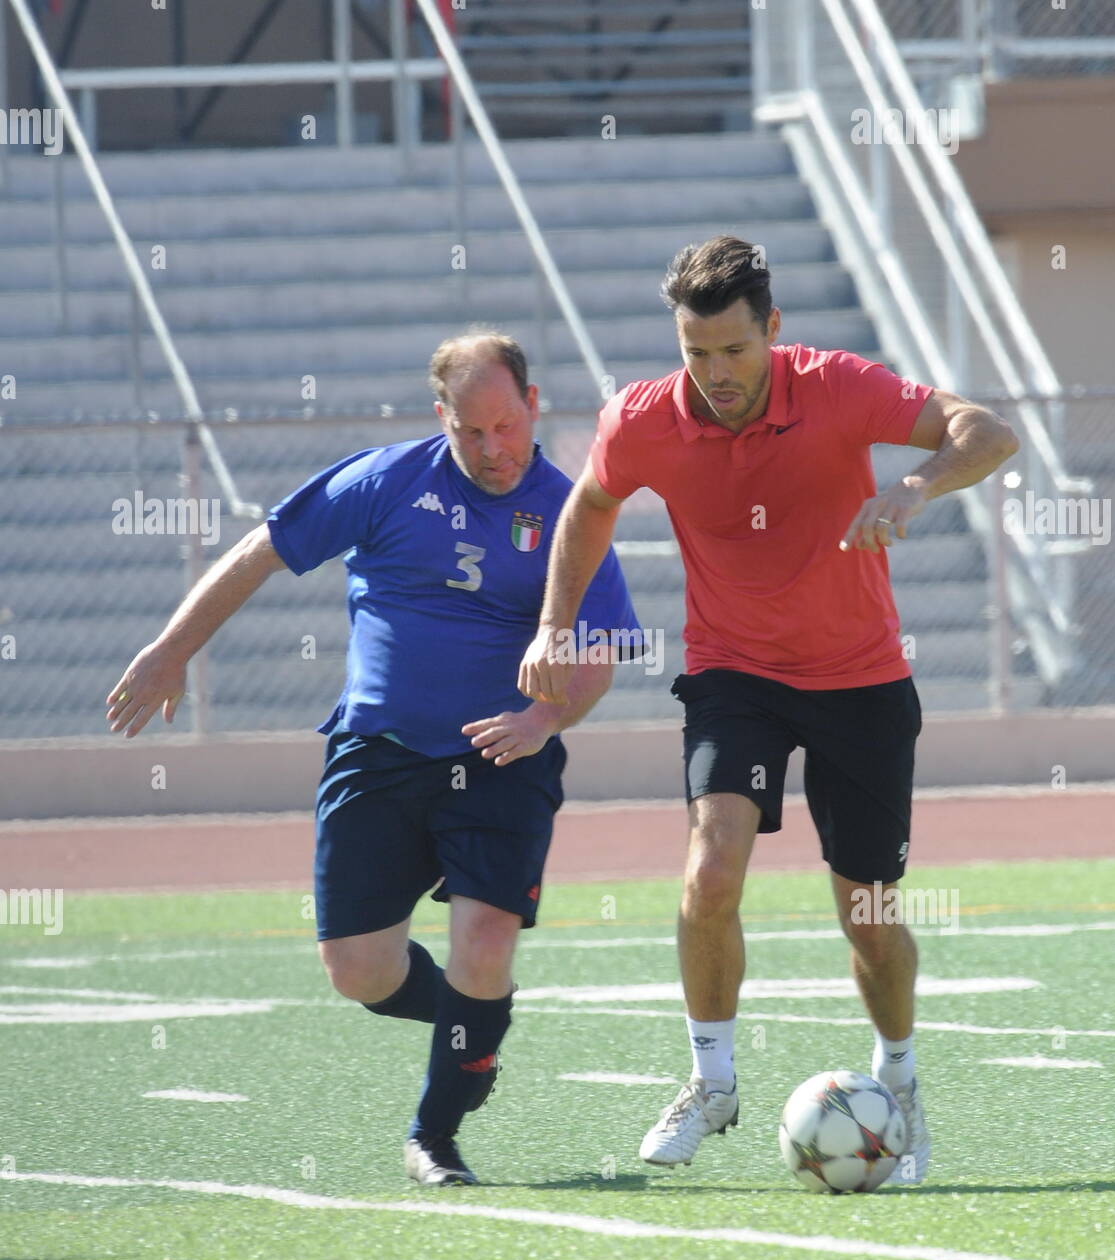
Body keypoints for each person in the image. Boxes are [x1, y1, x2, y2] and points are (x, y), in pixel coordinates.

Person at [519, 236, 1019, 1179]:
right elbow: (589, 505)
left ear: (772, 331)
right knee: (709, 876)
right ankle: (712, 1083)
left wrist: (912, 485)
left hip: (860, 678)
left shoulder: (837, 385)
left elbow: (988, 432)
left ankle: (899, 1086)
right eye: (694, 353)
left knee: (866, 914)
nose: (714, 374)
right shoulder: (643, 419)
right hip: (733, 674)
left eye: (733, 351)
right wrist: (554, 624)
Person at [107, 331, 641, 1187]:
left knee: (485, 937)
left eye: (506, 424)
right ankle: (474, 1031)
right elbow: (260, 550)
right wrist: (173, 649)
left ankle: (434, 1132)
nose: (493, 447)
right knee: (357, 971)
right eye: (471, 431)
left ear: (532, 406)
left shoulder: (572, 510)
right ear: (443, 419)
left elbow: (602, 650)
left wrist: (544, 718)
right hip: (378, 753)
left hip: (503, 756)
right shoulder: (385, 479)